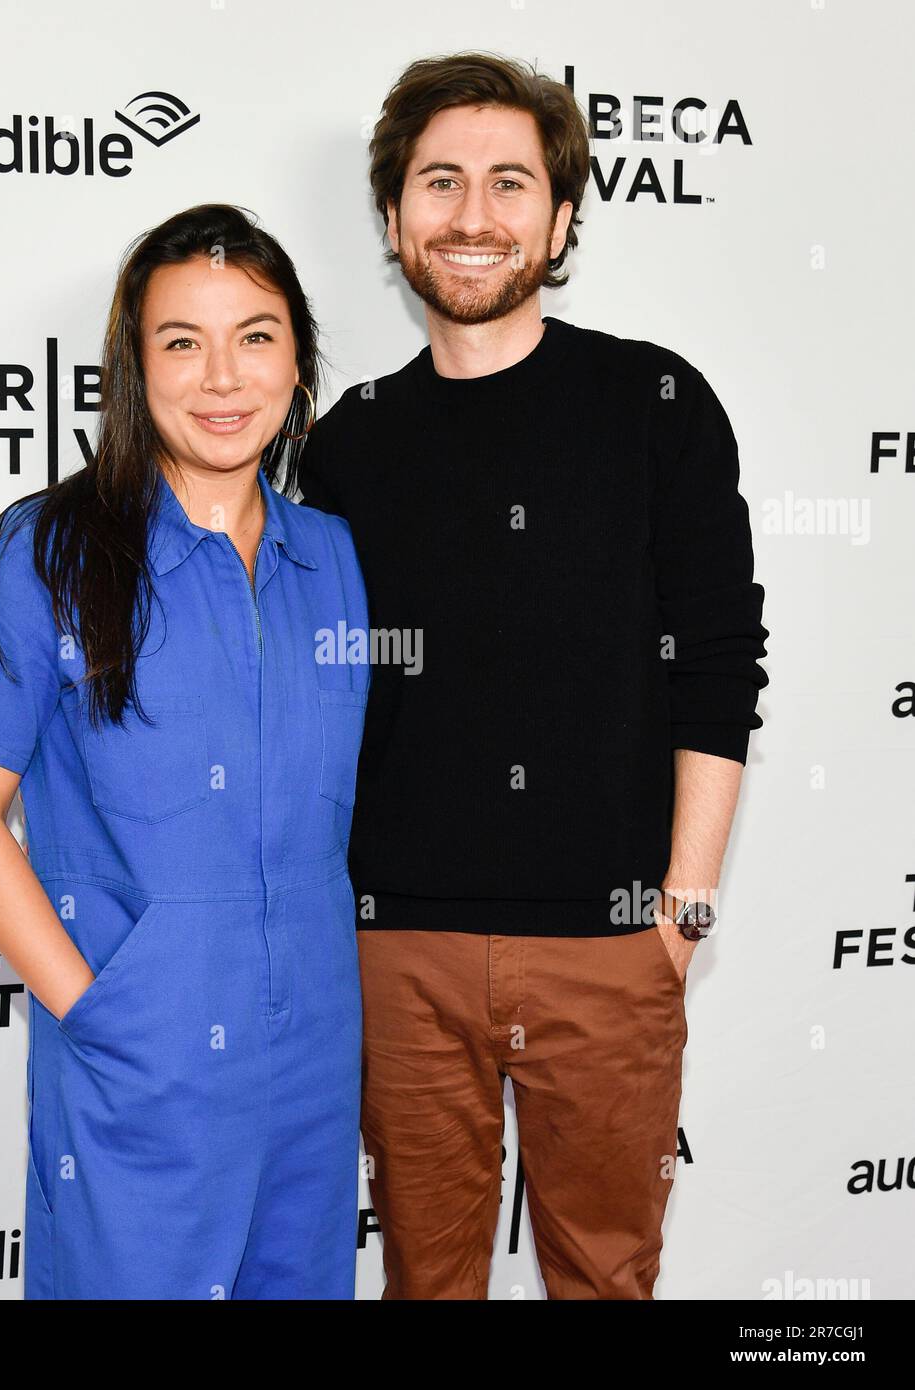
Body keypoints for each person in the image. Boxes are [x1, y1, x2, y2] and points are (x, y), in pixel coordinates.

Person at [297, 53, 770, 1299]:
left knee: (602, 1279)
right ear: (395, 218)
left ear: (559, 220)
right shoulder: (345, 445)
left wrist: (682, 913)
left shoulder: (653, 402)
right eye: (438, 181)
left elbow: (717, 664)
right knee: (424, 1285)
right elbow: (328, 704)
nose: (471, 214)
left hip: (611, 944)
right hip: (396, 949)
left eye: (510, 183)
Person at [0, 204, 369, 1300]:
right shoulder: (45, 552)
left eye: (255, 336)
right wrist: (96, 1009)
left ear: (297, 362)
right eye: (180, 341)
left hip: (309, 1072)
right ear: (132, 367)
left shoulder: (335, 561)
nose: (222, 377)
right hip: (135, 1064)